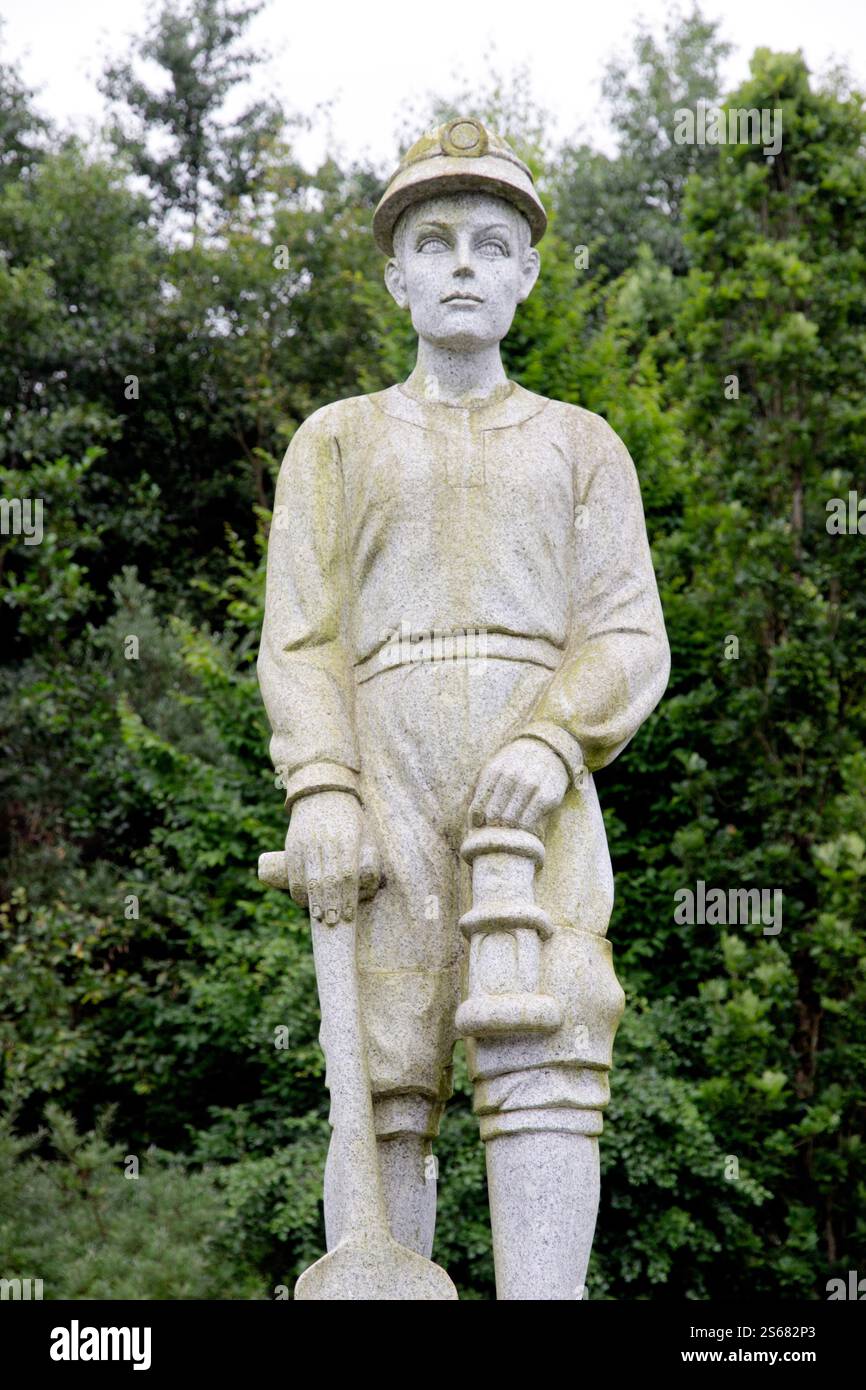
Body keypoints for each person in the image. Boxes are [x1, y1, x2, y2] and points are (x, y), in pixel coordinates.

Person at [258, 117, 670, 1299]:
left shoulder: (581, 446)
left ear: (526, 273)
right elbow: (300, 640)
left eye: (490, 244)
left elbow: (628, 634)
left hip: (529, 792)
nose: (458, 265)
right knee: (379, 1057)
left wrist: (553, 737)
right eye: (431, 242)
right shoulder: (334, 440)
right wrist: (322, 787)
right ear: (392, 274)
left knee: (545, 1026)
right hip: (383, 771)